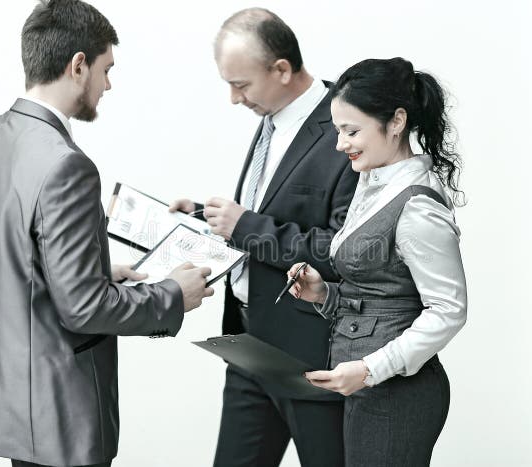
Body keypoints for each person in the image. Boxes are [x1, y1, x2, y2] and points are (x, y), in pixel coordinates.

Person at [0, 1, 213, 466]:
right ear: (78, 65)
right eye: (106, 69)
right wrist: (172, 295)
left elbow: (6, 262)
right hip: (57, 410)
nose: (108, 85)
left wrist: (97, 269)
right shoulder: (67, 164)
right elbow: (83, 308)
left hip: (3, 397)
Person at [168, 8, 358, 467]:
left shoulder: (348, 127)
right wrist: (202, 216)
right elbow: (275, 210)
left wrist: (245, 226)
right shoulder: (272, 116)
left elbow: (342, 252)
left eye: (242, 84)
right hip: (247, 347)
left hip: (312, 359)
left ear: (281, 69)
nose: (235, 99)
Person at [286, 57, 468, 467]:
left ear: (397, 121)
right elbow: (377, 295)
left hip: (396, 395)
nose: (340, 144)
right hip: (368, 387)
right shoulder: (372, 183)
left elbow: (449, 311)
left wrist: (368, 369)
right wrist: (323, 293)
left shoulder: (418, 205)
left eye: (351, 131)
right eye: (338, 131)